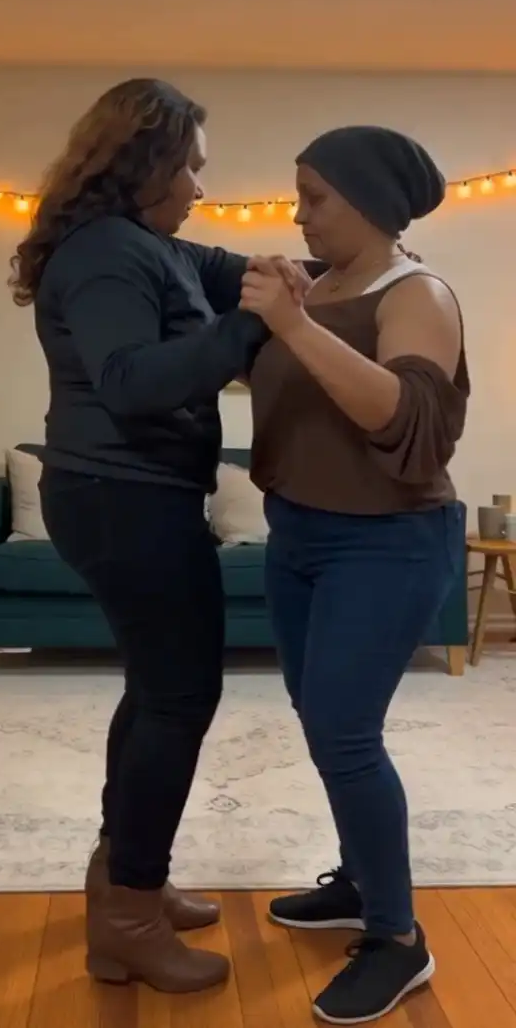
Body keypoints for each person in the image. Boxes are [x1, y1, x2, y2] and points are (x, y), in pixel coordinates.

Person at [8, 77, 305, 994]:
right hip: (120, 496)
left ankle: (126, 883)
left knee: (156, 692)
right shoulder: (106, 253)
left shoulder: (157, 246)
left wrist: (342, 267)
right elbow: (132, 381)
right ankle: (129, 916)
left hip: (132, 493)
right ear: (145, 163)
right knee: (179, 696)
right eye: (191, 168)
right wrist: (251, 326)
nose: (201, 188)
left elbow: (246, 273)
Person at [240, 126, 469, 1025]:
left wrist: (292, 325)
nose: (300, 214)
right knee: (321, 719)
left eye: (316, 197)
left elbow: (404, 417)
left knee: (344, 730)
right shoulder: (317, 286)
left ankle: (398, 937)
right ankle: (360, 877)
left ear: (370, 200)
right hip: (297, 531)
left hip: (387, 541)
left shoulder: (417, 293)